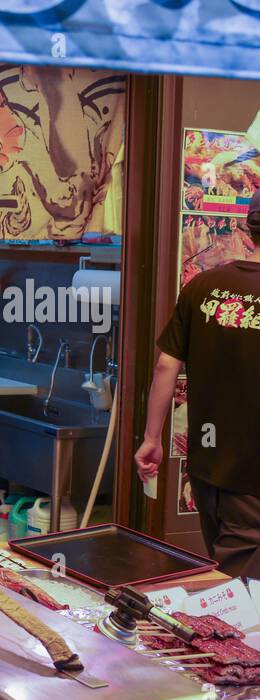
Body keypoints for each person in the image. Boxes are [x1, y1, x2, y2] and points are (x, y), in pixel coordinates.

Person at [135, 195, 260, 578]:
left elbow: (165, 365)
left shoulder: (204, 285)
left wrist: (152, 438)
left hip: (208, 466)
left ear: (247, 227)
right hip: (253, 479)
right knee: (245, 596)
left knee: (225, 574)